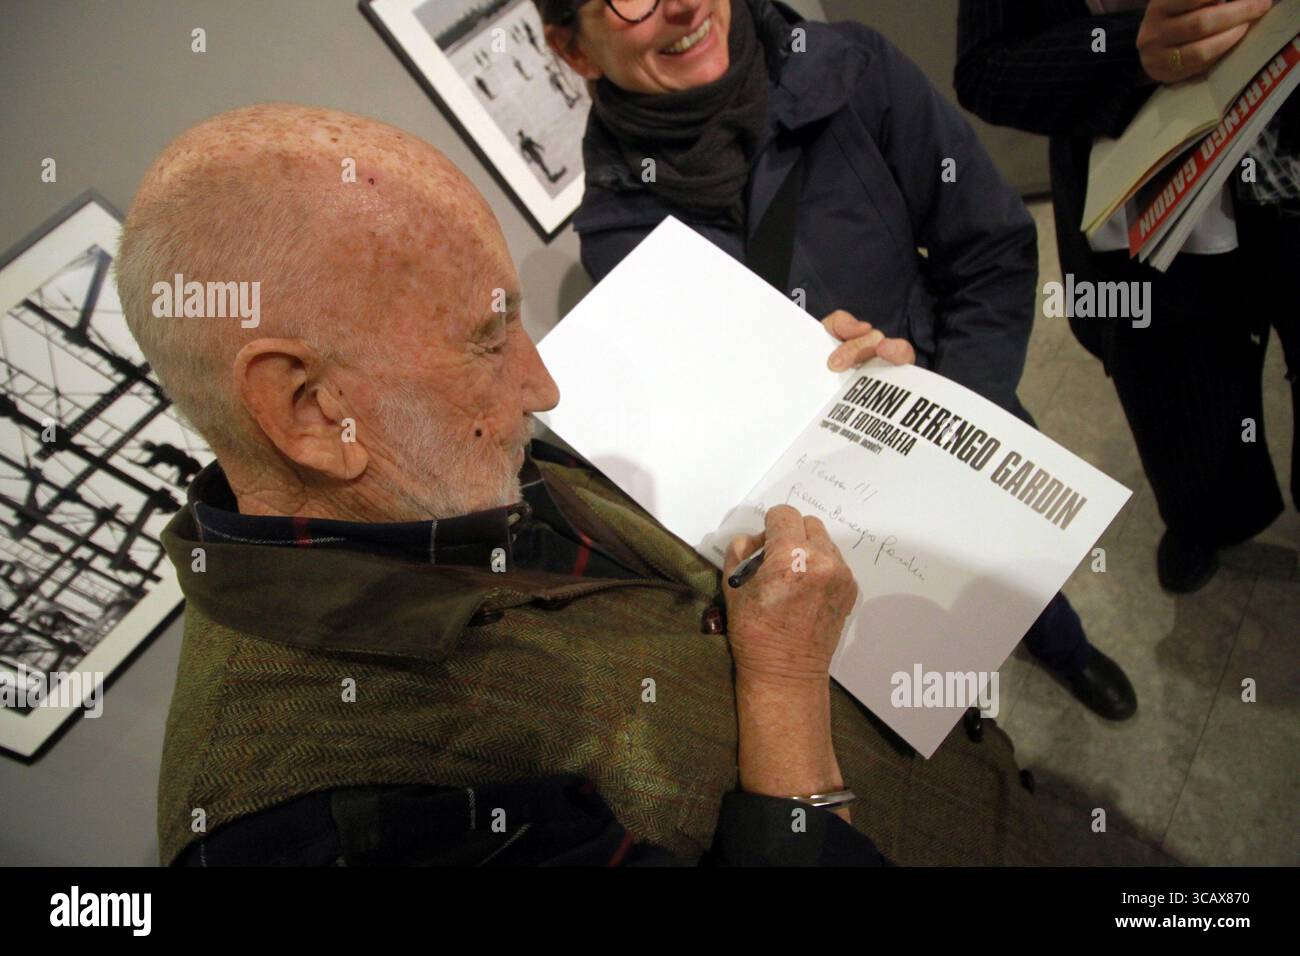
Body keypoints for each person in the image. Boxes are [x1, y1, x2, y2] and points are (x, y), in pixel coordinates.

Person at [116, 103, 1052, 866]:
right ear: (311, 408)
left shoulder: (438, 461)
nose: (543, 384)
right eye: (487, 338)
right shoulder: (306, 827)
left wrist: (855, 415)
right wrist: (784, 680)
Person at [537, 0, 1138, 720]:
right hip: (821, 505)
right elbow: (712, 428)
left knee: (1005, 572)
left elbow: (990, 248)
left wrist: (958, 418)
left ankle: (1064, 646)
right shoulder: (619, 234)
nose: (684, 5)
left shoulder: (851, 70)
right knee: (906, 657)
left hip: (958, 396)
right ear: (572, 49)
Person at [955, 0, 1299, 593]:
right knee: (1185, 413)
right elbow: (986, 69)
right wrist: (1126, 51)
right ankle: (1206, 522)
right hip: (1149, 196)